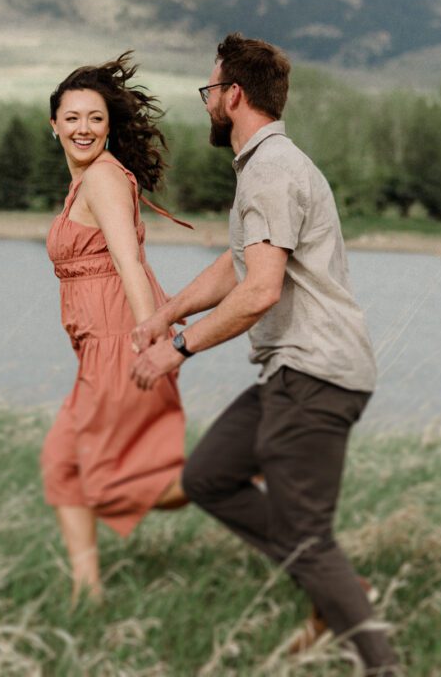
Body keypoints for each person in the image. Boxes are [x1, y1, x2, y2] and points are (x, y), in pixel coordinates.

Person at [129, 33, 400, 673]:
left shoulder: (272, 172)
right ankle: (336, 589)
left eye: (210, 91)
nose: (206, 104)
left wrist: (178, 349)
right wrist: (169, 311)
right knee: (209, 477)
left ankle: (374, 650)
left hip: (317, 374)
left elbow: (259, 291)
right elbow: (239, 262)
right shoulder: (264, 166)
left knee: (306, 535)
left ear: (235, 95)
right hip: (290, 372)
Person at [42, 53, 190, 603]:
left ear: (109, 127)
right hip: (97, 343)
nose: (84, 128)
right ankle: (89, 595)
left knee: (113, 481)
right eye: (73, 118)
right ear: (53, 124)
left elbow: (128, 262)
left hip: (118, 340)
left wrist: (148, 333)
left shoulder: (102, 178)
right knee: (64, 464)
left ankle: (232, 477)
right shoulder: (86, 182)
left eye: (95, 119)